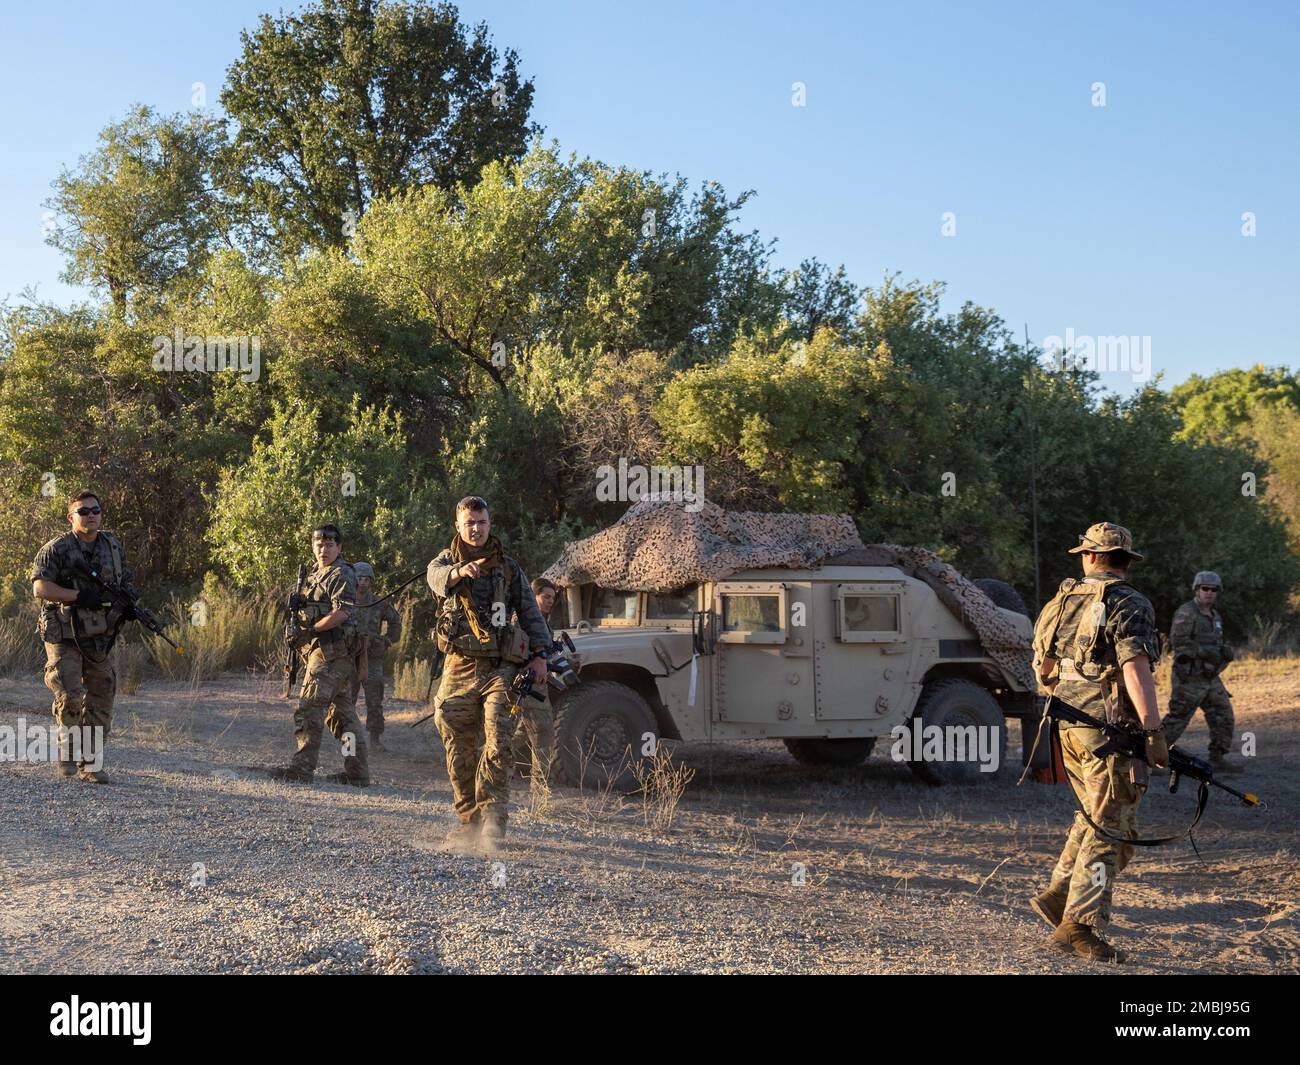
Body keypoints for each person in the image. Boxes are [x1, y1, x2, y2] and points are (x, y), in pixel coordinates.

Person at [1029, 522, 1167, 963]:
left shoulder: (1062, 599)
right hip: (1110, 731)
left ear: (1088, 556)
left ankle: (1059, 896)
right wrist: (1153, 730)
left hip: (1065, 726)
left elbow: (1044, 671)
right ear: (1127, 561)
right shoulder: (1130, 602)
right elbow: (1136, 669)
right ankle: (1079, 926)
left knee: (1096, 813)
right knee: (1111, 826)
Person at [426, 497, 551, 846]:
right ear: (458, 526)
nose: (476, 529)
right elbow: (434, 578)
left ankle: (493, 822)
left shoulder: (509, 569)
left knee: (499, 740)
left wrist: (540, 655)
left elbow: (530, 614)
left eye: (481, 522)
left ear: (489, 523)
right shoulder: (445, 562)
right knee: (456, 740)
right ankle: (469, 820)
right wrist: (457, 572)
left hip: (501, 668)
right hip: (460, 665)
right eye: (469, 523)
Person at [30, 490, 135, 783]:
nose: (90, 515)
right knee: (70, 694)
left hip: (99, 634)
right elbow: (41, 588)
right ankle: (67, 752)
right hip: (64, 633)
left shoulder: (112, 544)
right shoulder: (57, 549)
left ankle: (91, 763)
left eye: (95, 510)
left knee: (103, 695)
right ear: (71, 517)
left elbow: (124, 579)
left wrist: (127, 604)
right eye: (84, 511)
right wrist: (77, 596)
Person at [269, 525, 370, 786]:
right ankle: (357, 773)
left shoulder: (341, 573)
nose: (322, 549)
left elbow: (343, 612)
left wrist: (310, 630)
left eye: (328, 545)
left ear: (339, 547)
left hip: (331, 654)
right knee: (342, 717)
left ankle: (301, 769)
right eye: (318, 544)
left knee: (310, 710)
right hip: (326, 653)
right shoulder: (316, 573)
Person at [1161, 571, 1240, 773]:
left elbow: (1217, 642)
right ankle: (1153, 758)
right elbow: (1180, 643)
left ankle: (1217, 757)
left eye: (1214, 590)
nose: (1209, 593)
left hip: (1209, 676)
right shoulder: (1187, 612)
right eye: (1205, 588)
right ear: (1197, 589)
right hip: (1189, 677)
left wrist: (1223, 652)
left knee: (1223, 715)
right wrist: (1208, 653)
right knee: (1178, 718)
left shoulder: (1215, 616)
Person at [511, 577, 561, 786]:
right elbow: (516, 652)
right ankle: (540, 791)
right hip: (527, 686)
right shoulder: (523, 620)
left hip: (535, 686)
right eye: (546, 597)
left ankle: (485, 763)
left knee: (520, 734)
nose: (550, 601)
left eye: (553, 598)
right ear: (534, 596)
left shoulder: (542, 623)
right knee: (544, 736)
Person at [350, 561, 402, 751]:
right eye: (359, 578)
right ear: (353, 580)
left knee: (374, 700)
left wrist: (387, 640)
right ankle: (348, 741)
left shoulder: (379, 603)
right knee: (347, 702)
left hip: (372, 658)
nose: (362, 582)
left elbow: (396, 622)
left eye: (366, 579)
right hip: (350, 658)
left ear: (371, 582)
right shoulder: (345, 601)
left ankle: (375, 740)